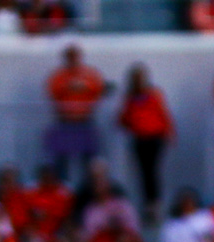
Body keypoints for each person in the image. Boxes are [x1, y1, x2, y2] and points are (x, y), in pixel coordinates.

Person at [45, 44, 109, 182]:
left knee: (89, 159)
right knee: (61, 159)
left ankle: (89, 187)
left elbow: (98, 90)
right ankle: (63, 187)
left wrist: (83, 87)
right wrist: (69, 87)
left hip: (85, 120)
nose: (73, 60)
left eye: (75, 56)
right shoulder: (59, 76)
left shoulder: (89, 74)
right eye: (70, 57)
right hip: (64, 121)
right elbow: (53, 92)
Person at [118, 63, 174, 221]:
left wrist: (169, 133)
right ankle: (147, 205)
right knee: (143, 173)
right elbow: (124, 118)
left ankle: (155, 205)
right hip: (139, 138)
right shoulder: (130, 97)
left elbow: (163, 113)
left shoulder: (154, 94)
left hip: (155, 138)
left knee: (153, 172)